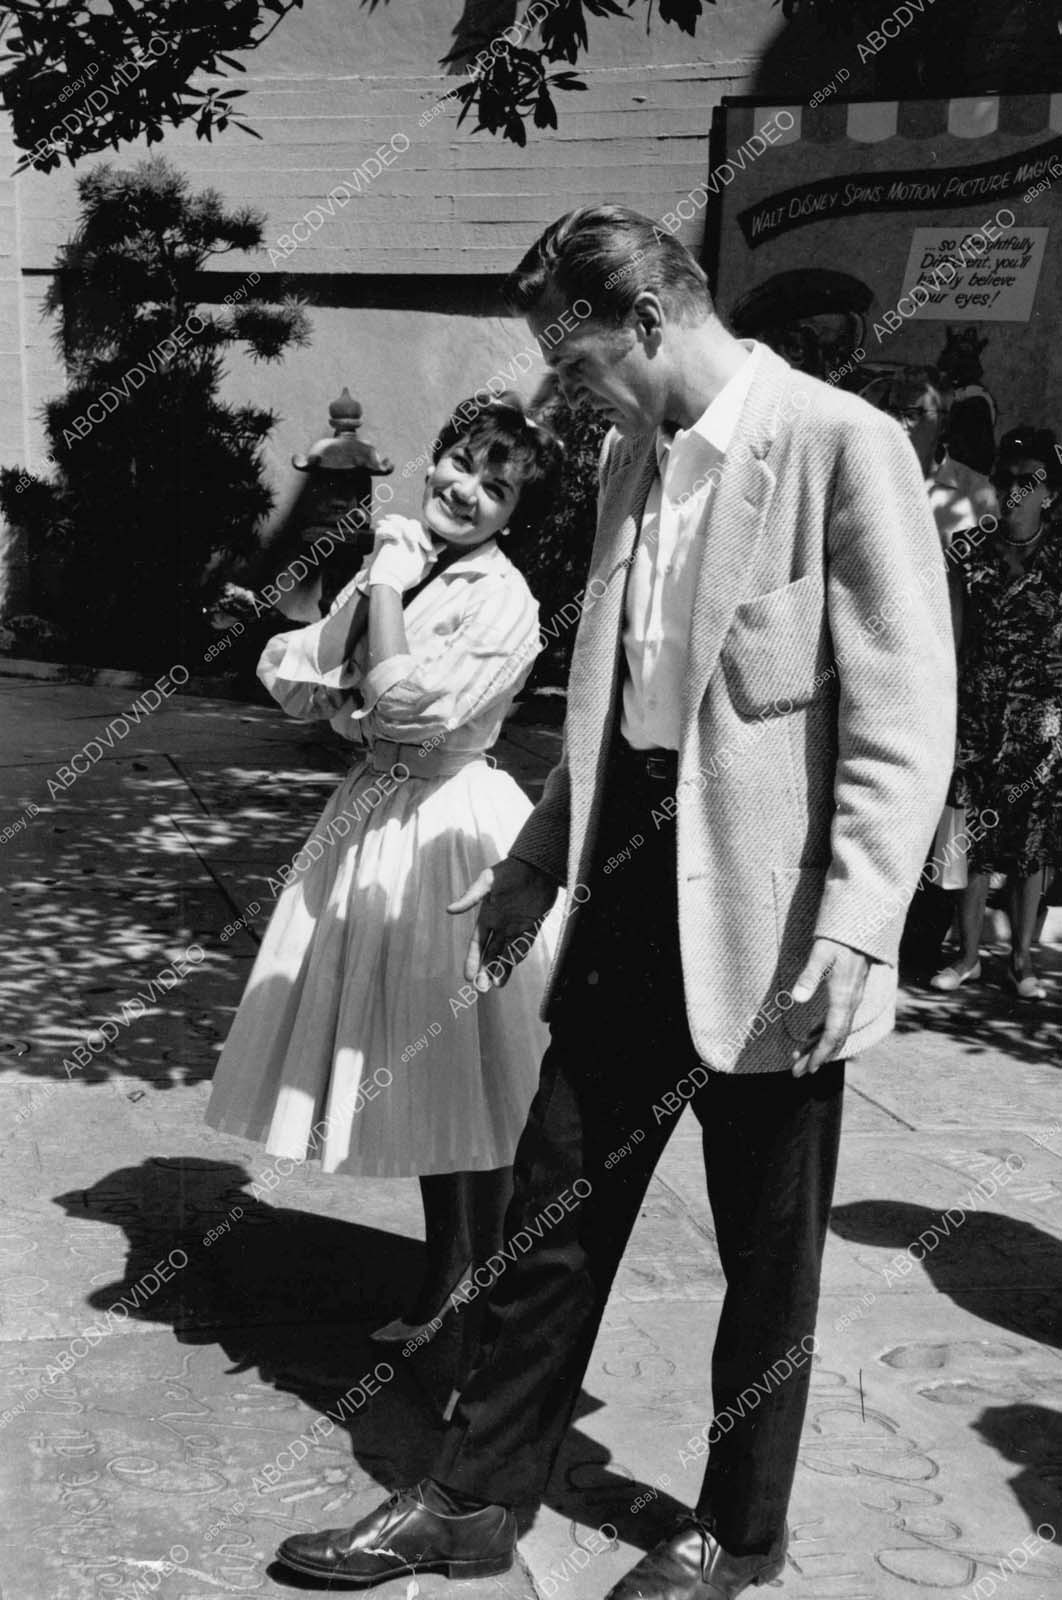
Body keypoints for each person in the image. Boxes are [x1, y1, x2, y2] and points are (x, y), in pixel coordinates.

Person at [273, 206, 954, 1599]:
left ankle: (735, 1534)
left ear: (646, 319)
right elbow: (615, 696)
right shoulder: (630, 461)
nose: (567, 392)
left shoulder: (842, 446)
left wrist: (857, 922)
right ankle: (473, 1497)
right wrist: (538, 860)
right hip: (624, 888)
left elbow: (901, 712)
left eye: (574, 359)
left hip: (776, 923)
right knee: (553, 1210)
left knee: (765, 1252)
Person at [206, 393, 564, 1343]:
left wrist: (390, 600)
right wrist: (372, 592)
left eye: (497, 488)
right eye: (462, 465)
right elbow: (294, 678)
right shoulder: (399, 557)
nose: (468, 491)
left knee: (474, 1072)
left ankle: (489, 1300)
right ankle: (448, 1277)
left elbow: (413, 714)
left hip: (451, 826)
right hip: (371, 821)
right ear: (434, 458)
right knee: (421, 1064)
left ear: (513, 515)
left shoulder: (504, 599)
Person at [860, 365, 997, 977]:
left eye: (914, 412)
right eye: (892, 409)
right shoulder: (865, 474)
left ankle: (919, 938)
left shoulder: (974, 494)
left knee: (937, 806)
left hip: (942, 672)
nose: (899, 421)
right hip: (867, 665)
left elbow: (981, 598)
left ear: (941, 423)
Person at [930, 425, 1061, 1001]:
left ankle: (1022, 961)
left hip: (1043, 719)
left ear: (1049, 494)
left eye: (1028, 481)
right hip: (978, 713)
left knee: (1032, 841)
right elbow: (952, 637)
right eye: (1005, 479)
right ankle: (966, 958)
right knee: (974, 838)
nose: (1013, 490)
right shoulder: (967, 550)